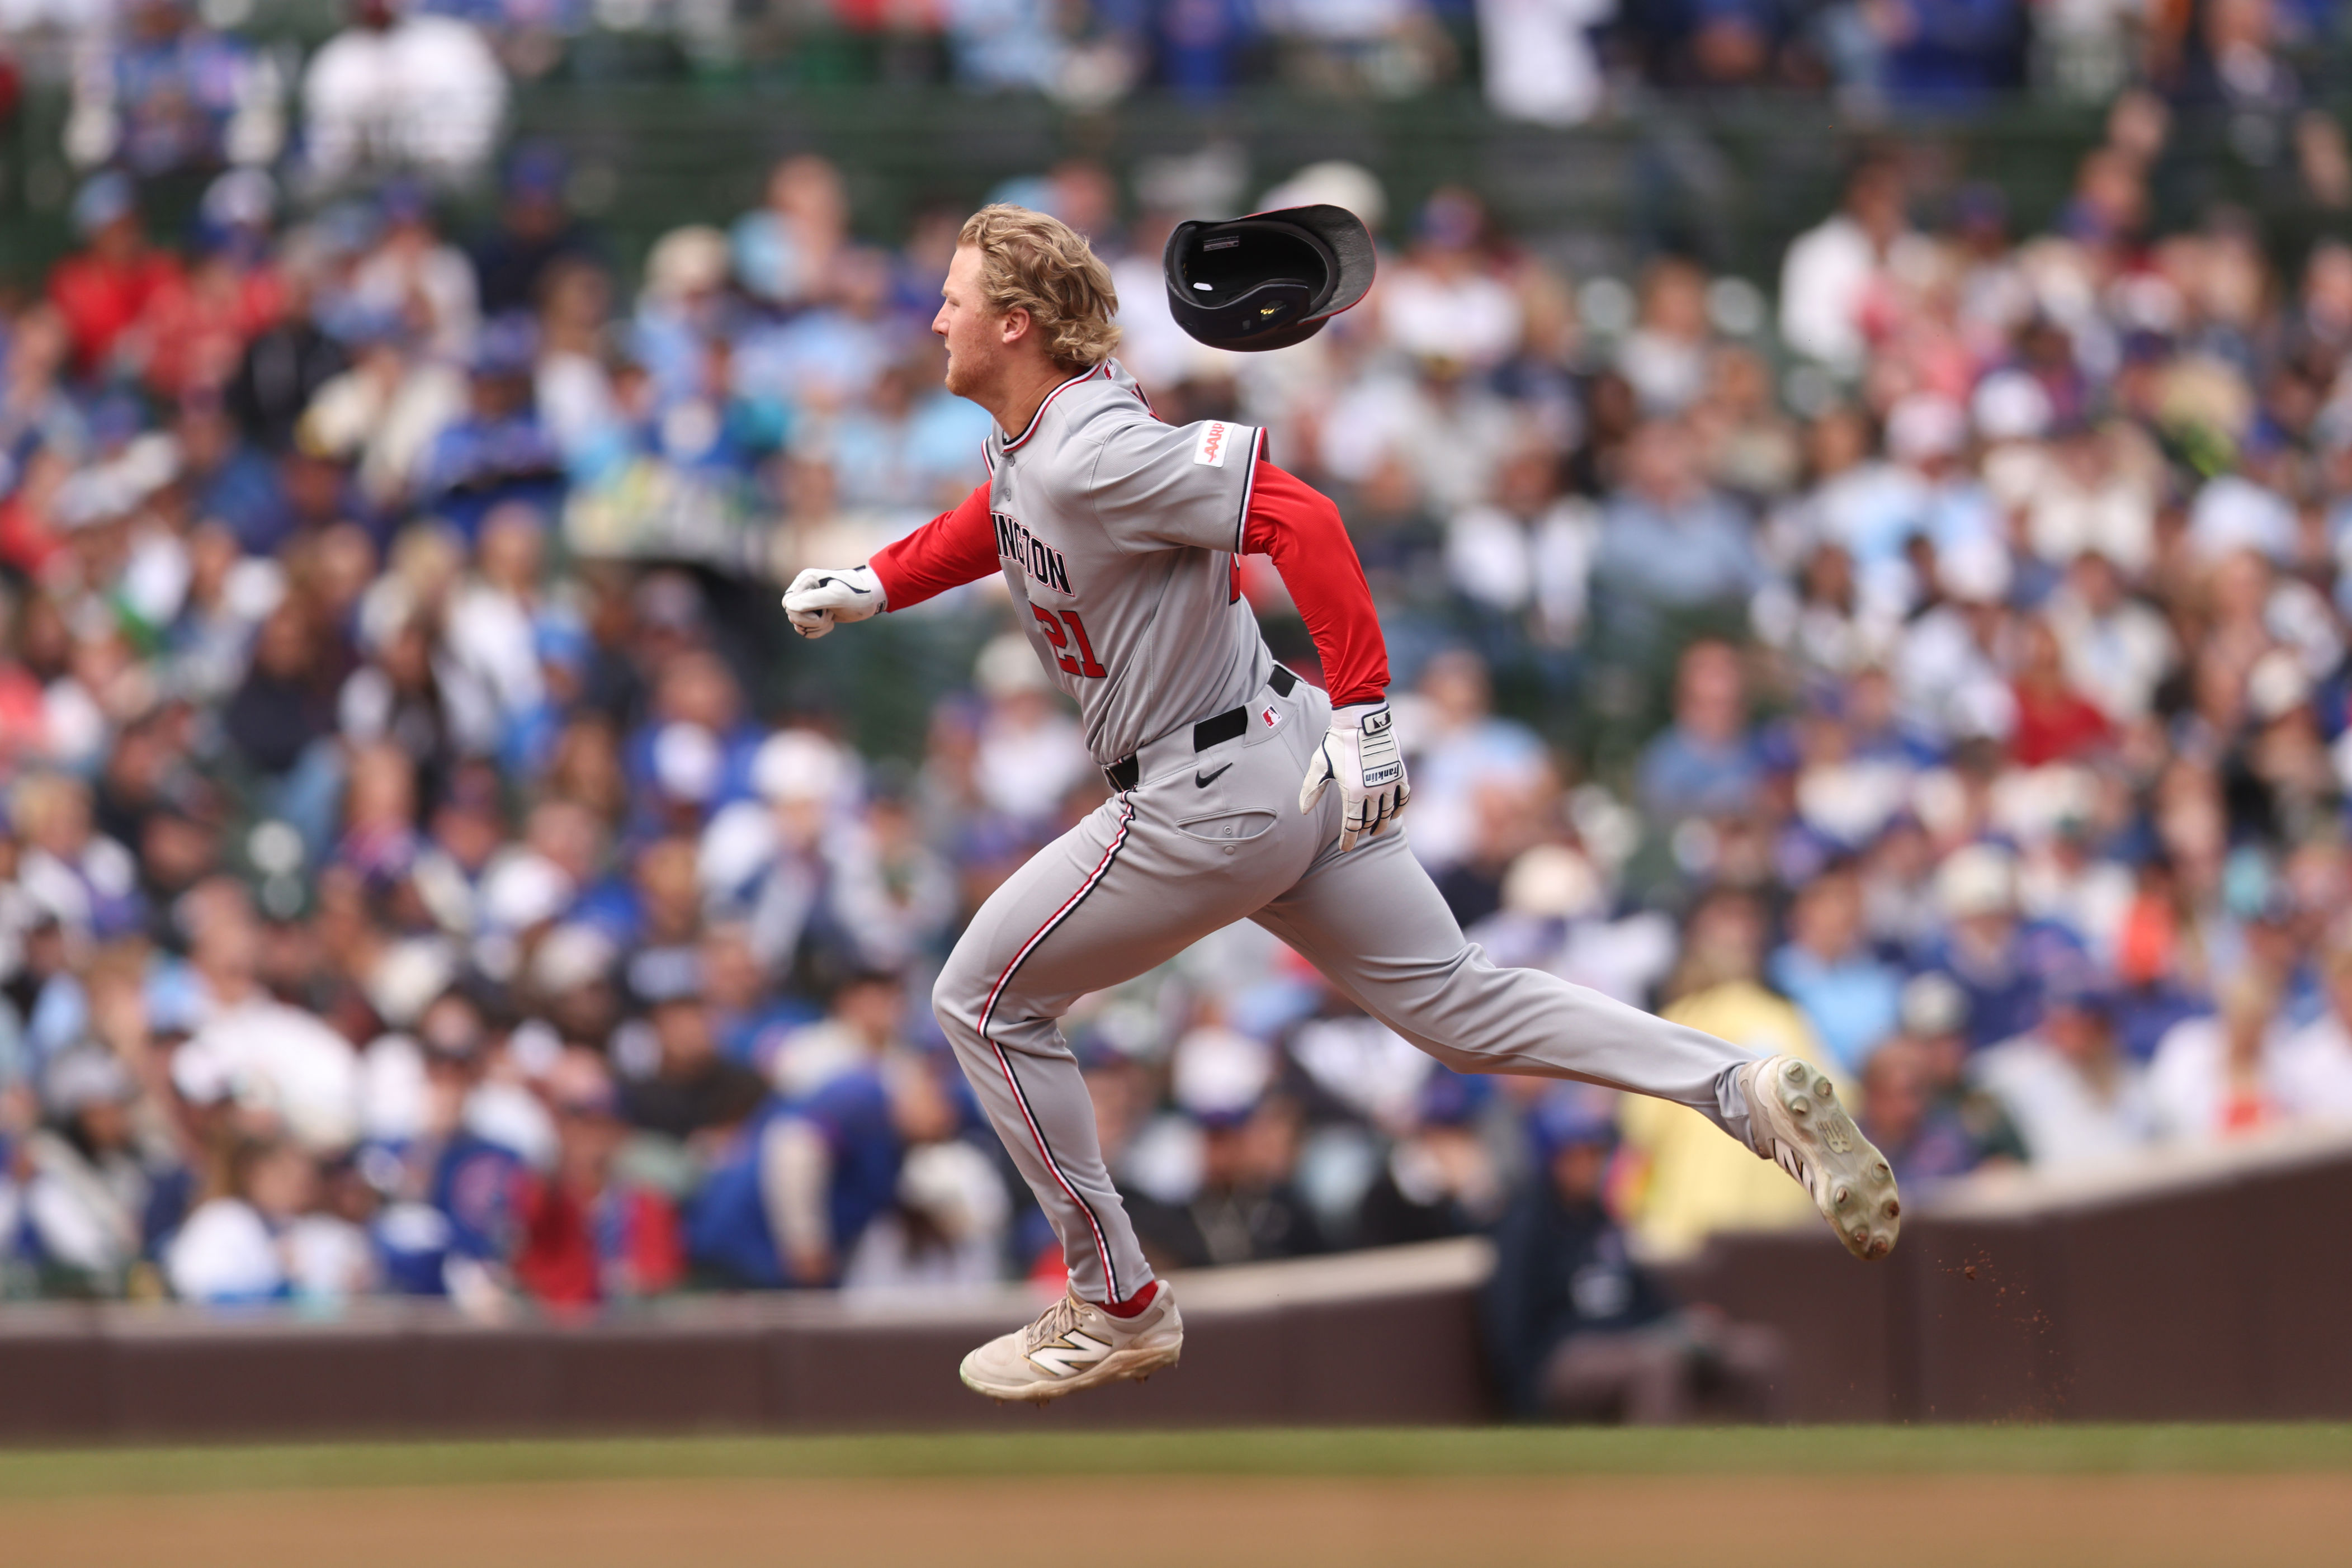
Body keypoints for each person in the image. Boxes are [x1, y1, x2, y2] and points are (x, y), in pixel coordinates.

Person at [782, 204, 1901, 1405]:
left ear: (1014, 323)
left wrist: (1372, 708)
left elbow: (1296, 512)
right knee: (1456, 1004)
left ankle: (1116, 1300)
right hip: (1278, 759)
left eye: (954, 296)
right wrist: (881, 579)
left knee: (982, 1001)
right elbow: (1005, 524)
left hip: (1209, 795)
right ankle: (1734, 1087)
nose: (935, 314)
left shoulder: (1089, 444)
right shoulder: (1044, 436)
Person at [1484, 1089, 1785, 1423]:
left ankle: (1764, 1469)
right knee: (1657, 1363)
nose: (1590, 1165)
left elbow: (1640, 1294)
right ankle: (1663, 1471)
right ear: (1552, 1158)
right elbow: (1515, 1325)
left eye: (1596, 1153)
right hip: (1562, 1356)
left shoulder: (1602, 1219)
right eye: (1578, 1155)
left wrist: (1682, 1323)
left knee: (1756, 1352)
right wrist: (1525, 1399)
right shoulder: (1525, 1225)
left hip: (1632, 1341)